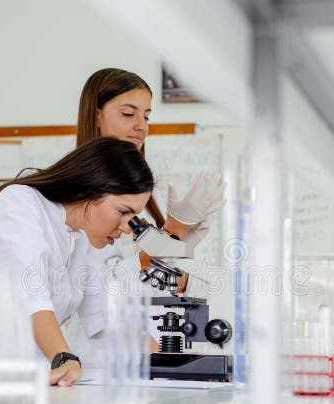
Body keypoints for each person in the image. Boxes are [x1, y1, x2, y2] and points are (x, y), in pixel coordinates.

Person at [0, 137, 155, 387]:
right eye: (123, 212)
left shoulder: (80, 234)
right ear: (89, 189)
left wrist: (174, 362)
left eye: (134, 217)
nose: (127, 228)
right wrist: (64, 357)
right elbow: (30, 296)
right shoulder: (19, 204)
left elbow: (105, 316)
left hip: (29, 383)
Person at [76, 68, 226, 262]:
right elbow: (104, 281)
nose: (141, 126)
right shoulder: (75, 196)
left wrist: (179, 247)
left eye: (146, 116)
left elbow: (166, 280)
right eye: (128, 114)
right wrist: (174, 231)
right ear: (96, 116)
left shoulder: (147, 193)